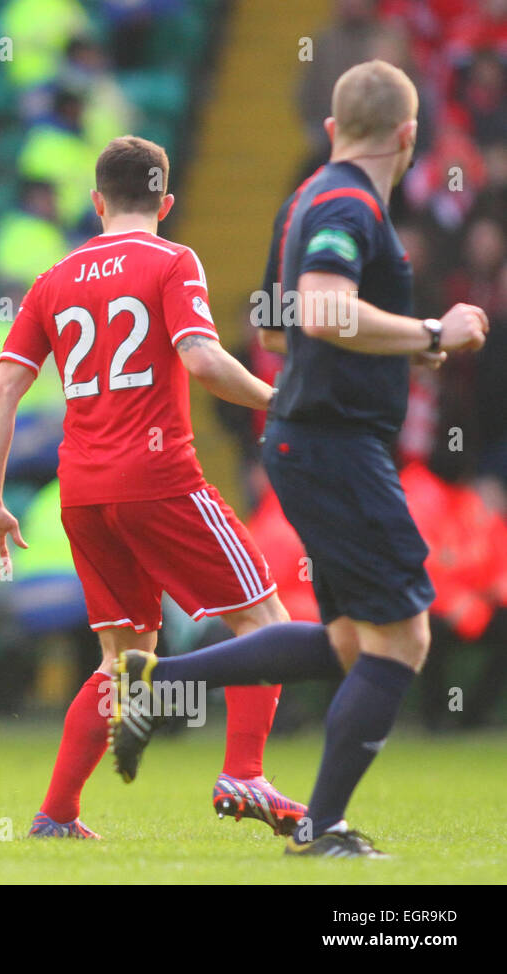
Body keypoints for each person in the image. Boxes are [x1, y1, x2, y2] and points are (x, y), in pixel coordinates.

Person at [110, 61, 489, 858]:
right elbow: (320, 308)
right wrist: (427, 335)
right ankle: (322, 830)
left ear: (332, 129)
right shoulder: (349, 202)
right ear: (409, 137)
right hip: (335, 444)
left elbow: (281, 330)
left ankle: (162, 684)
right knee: (405, 641)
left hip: (306, 438)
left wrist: (381, 352)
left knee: (353, 642)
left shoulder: (303, 202)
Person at [0, 135, 305, 840]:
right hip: (157, 479)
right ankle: (243, 771)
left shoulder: (53, 278)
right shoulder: (173, 259)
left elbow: (3, 390)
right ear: (166, 201)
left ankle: (57, 814)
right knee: (266, 621)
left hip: (82, 490)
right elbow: (203, 358)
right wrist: (278, 402)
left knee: (121, 662)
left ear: (96, 203)